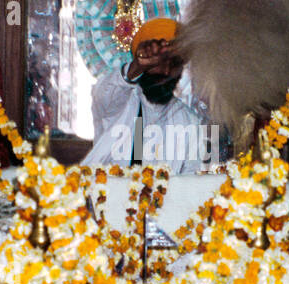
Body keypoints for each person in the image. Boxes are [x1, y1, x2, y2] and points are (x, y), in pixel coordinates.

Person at [84, 18, 208, 172]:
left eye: (174, 63)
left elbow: (192, 181)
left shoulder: (190, 122)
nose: (166, 71)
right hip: (106, 194)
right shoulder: (120, 102)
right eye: (157, 63)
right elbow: (104, 94)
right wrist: (136, 67)